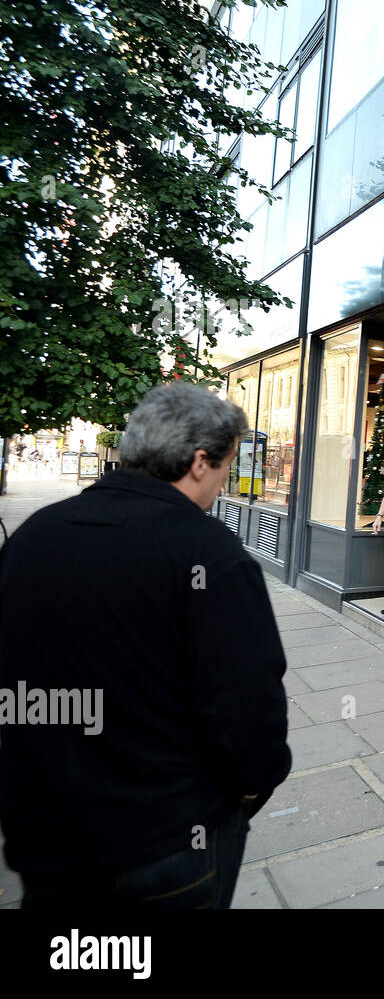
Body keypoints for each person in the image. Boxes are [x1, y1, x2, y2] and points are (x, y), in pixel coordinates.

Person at [0, 383, 291, 908]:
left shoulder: (35, 535)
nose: (222, 485)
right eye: (225, 468)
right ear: (200, 462)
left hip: (44, 833)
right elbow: (249, 707)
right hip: (166, 840)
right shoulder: (207, 551)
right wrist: (250, 789)